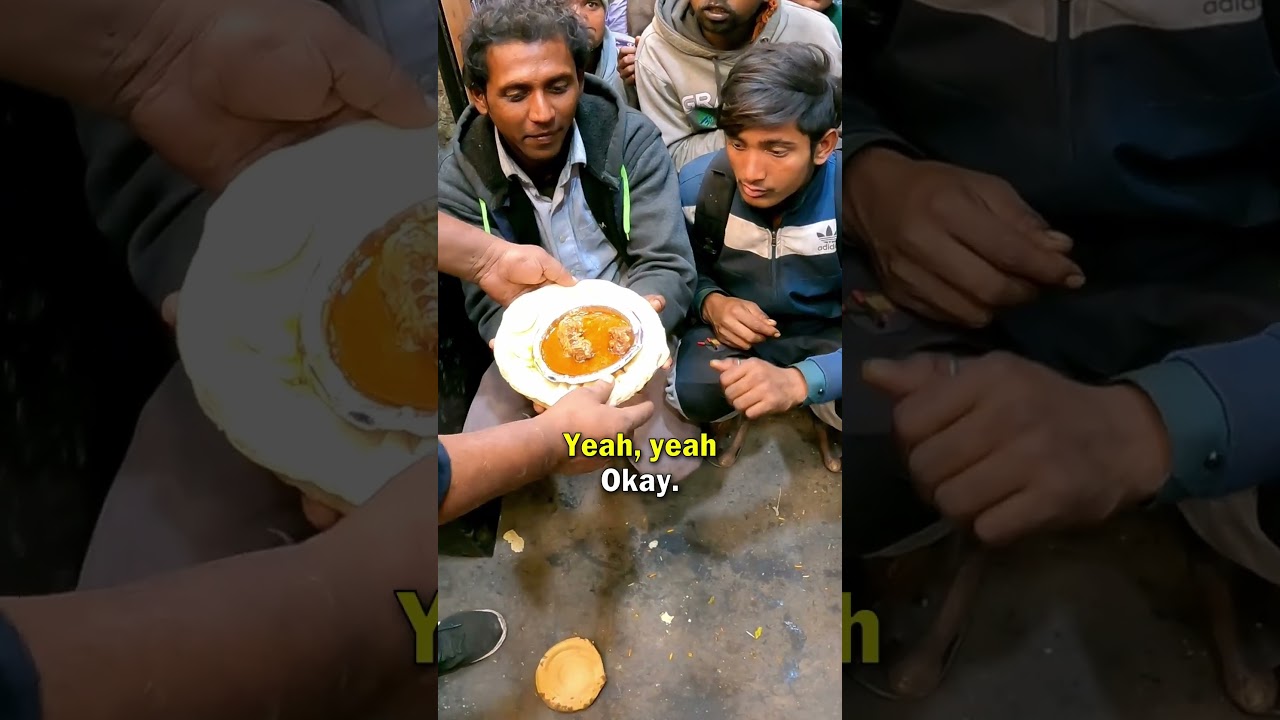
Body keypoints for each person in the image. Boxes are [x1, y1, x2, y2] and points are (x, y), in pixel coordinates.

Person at [843, 3, 1280, 714]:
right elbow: (795, 74)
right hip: (936, 261)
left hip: (1236, 274)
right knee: (796, 437)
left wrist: (1166, 424)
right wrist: (865, 173)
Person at [439, 0, 704, 484]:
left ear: (580, 80)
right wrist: (532, 373)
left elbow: (666, 263)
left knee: (673, 466)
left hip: (631, 324)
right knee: (489, 464)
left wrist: (639, 337)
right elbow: (487, 302)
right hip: (532, 340)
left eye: (558, 87)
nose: (542, 113)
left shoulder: (630, 140)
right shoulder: (459, 181)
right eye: (516, 93)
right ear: (479, 97)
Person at [670, 42, 841, 468]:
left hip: (834, 332)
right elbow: (679, 270)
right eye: (738, 143)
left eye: (776, 150)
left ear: (823, 146)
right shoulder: (698, 189)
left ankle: (819, 397)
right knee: (690, 390)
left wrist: (803, 381)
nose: (751, 172)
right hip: (738, 338)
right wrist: (711, 302)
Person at [633, 0, 841, 170]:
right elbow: (670, 158)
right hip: (708, 196)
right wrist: (755, 135)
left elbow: (840, 134)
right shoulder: (656, 48)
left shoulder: (814, 33)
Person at [567, 0, 640, 108]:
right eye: (563, 5)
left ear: (605, 13)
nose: (578, 17)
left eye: (591, 4)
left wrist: (643, 80)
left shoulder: (630, 53)